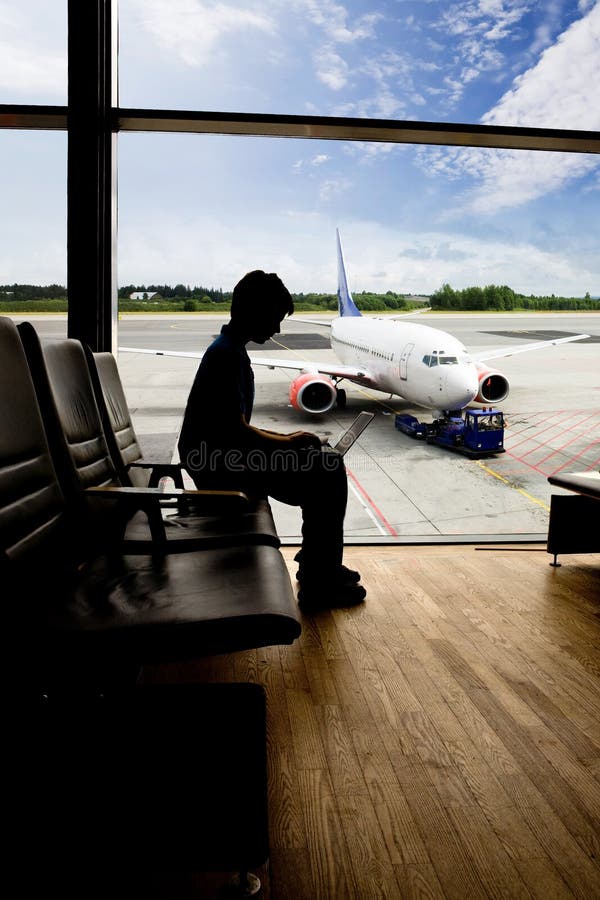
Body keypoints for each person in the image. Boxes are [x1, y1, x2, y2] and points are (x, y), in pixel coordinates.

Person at [178, 269, 366, 611]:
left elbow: (232, 429)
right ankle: (318, 582)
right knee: (327, 472)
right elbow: (232, 431)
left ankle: (318, 566)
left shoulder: (229, 350)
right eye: (274, 319)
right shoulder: (227, 356)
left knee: (323, 463)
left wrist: (289, 440)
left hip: (219, 456)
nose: (277, 329)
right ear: (254, 312)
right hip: (217, 463)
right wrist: (287, 441)